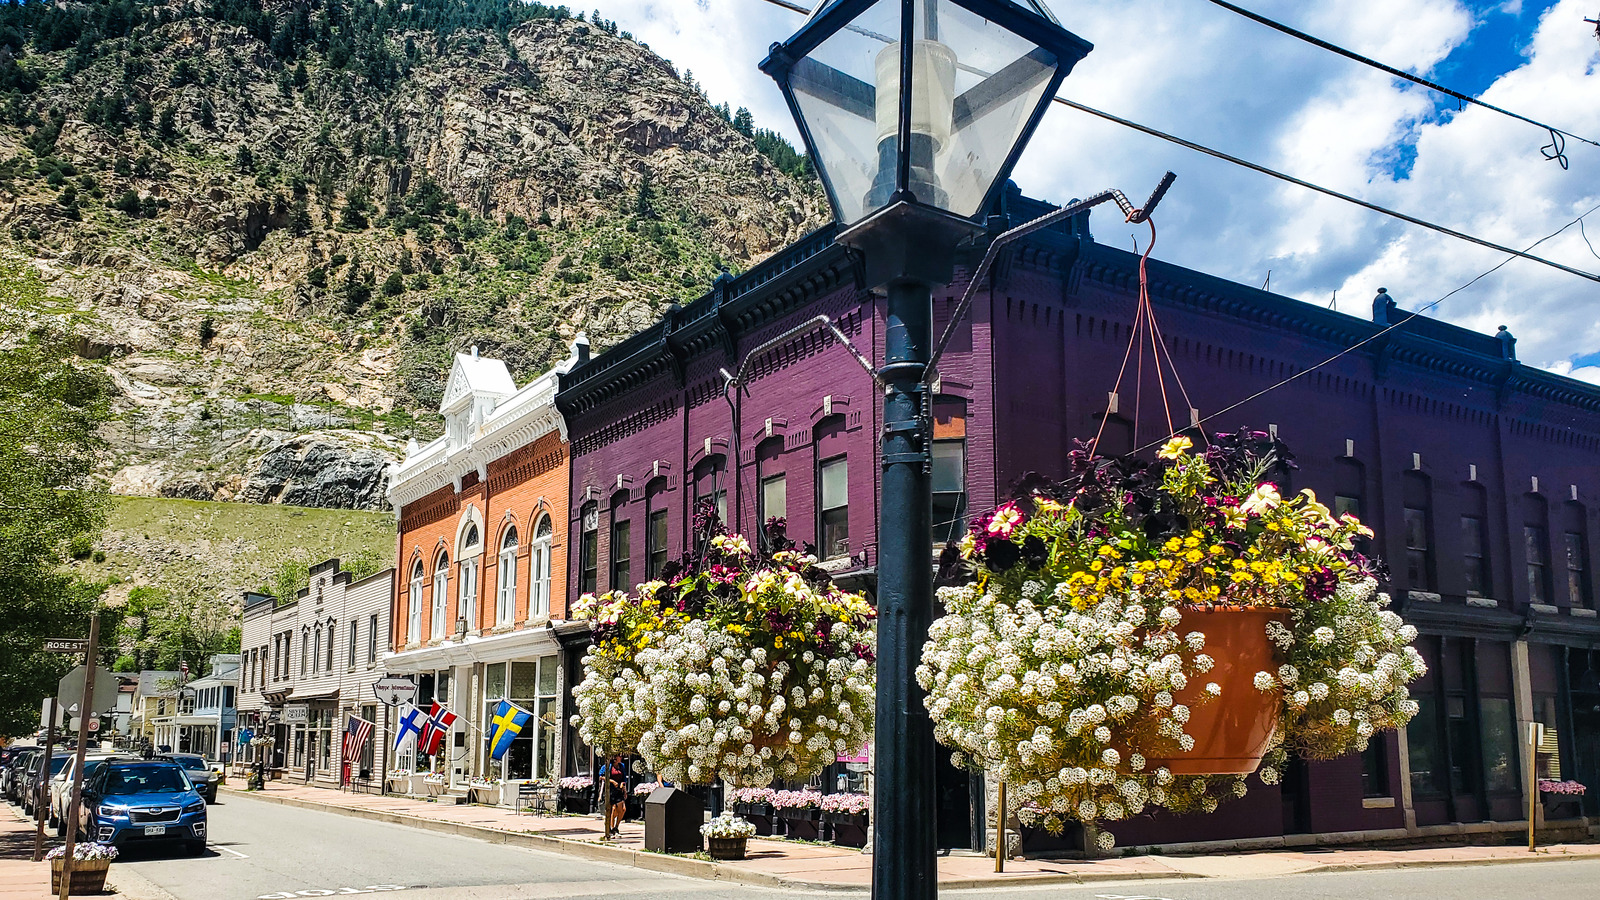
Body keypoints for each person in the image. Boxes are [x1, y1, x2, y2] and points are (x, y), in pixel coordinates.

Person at [599, 755, 627, 837]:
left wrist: (623, 785)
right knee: (612, 809)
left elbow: (624, 778)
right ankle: (610, 828)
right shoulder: (608, 766)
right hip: (610, 790)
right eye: (619, 756)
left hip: (619, 790)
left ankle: (616, 826)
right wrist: (611, 781)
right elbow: (601, 776)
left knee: (623, 809)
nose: (620, 758)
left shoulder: (621, 766)